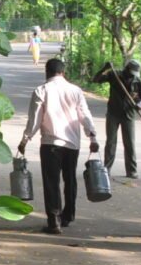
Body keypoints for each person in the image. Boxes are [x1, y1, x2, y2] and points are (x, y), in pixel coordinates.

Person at [17, 58, 100, 234]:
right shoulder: (75, 91)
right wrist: (92, 137)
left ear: (46, 72)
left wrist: (25, 140)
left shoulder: (41, 90)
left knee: (51, 182)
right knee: (70, 179)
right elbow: (85, 115)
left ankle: (54, 220)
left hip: (50, 144)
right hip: (72, 144)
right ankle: (68, 216)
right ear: (63, 72)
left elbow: (35, 120)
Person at [92, 60, 141, 178]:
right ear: (126, 68)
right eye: (131, 72)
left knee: (130, 143)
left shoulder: (138, 81)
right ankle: (106, 168)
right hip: (113, 113)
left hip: (129, 115)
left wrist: (140, 104)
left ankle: (132, 171)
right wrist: (104, 69)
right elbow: (95, 80)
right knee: (111, 142)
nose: (132, 75)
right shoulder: (114, 74)